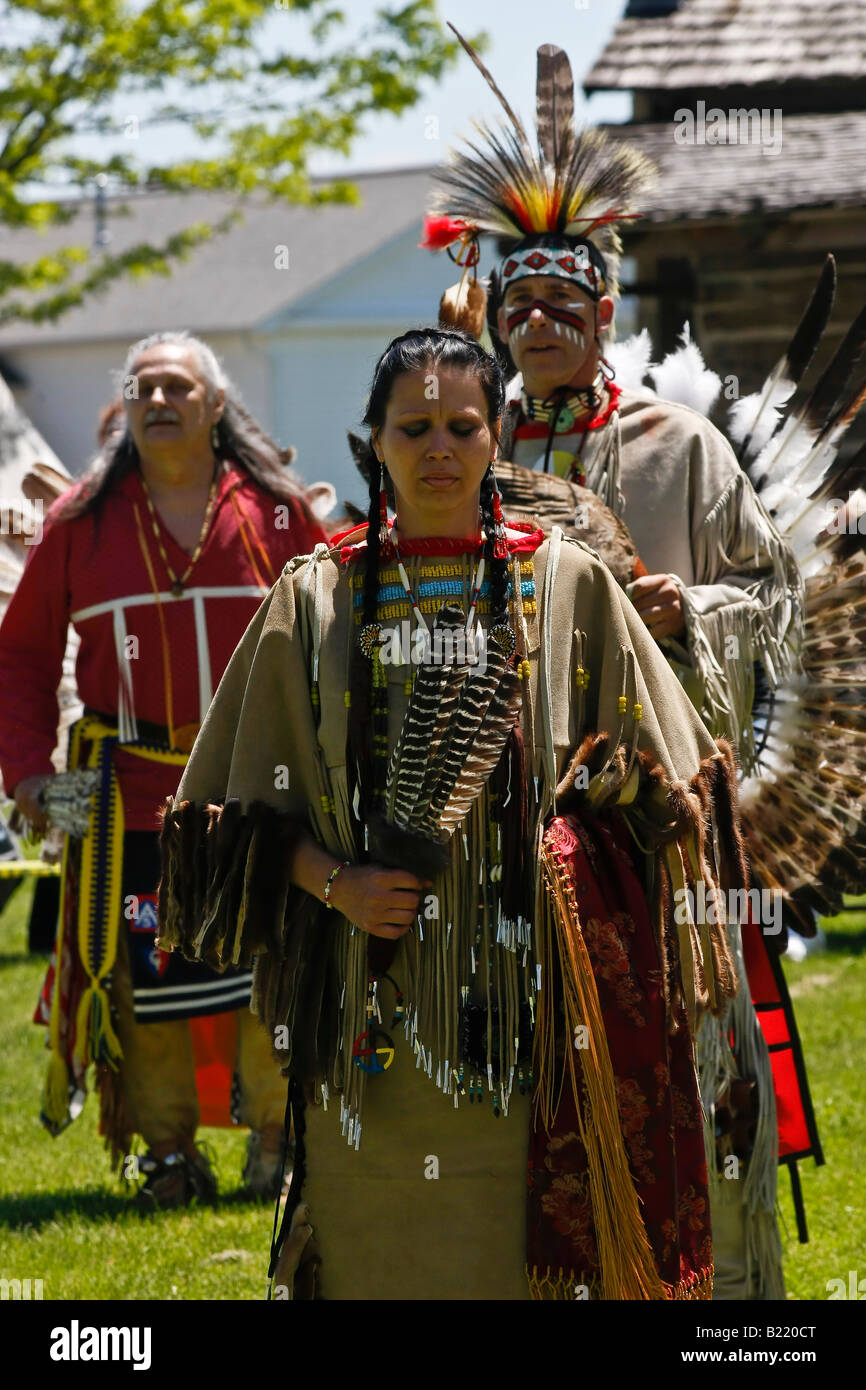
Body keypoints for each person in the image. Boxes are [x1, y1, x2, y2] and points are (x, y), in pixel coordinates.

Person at [159, 326, 751, 1300]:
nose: (438, 446)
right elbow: (228, 806)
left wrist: (585, 835)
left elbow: (672, 783)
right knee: (377, 1247)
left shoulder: (562, 585)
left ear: (493, 440)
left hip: (534, 997)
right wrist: (334, 883)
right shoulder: (315, 597)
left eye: (463, 426)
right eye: (413, 425)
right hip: (365, 997)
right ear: (374, 441)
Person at [419, 32, 822, 1300]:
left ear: (603, 315)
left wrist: (685, 608)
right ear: (491, 313)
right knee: (512, 1070)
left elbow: (776, 603)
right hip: (497, 806)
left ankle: (695, 1284)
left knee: (680, 1068)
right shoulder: (451, 451)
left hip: (662, 811)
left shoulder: (675, 447)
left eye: (564, 305)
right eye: (518, 303)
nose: (539, 323)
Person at [0, 330, 326, 1207]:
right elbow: (23, 657)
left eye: (177, 386)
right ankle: (168, 1153)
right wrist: (28, 772)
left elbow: (337, 636)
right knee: (136, 973)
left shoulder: (277, 512)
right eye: (141, 387)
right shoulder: (79, 522)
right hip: (126, 789)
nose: (156, 400)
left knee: (268, 965)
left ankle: (275, 1141)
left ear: (216, 407)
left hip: (255, 784)